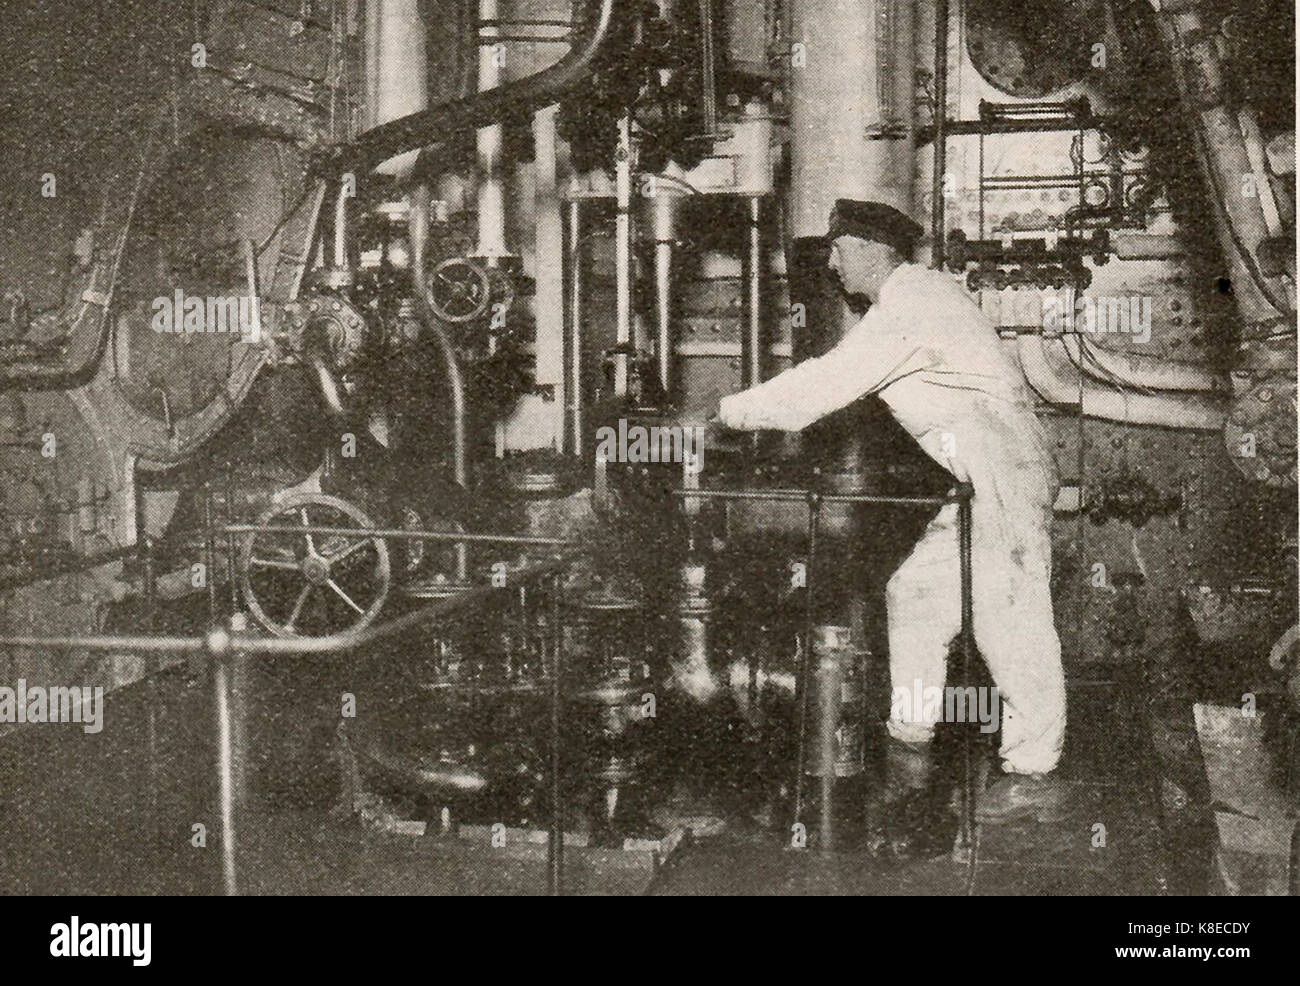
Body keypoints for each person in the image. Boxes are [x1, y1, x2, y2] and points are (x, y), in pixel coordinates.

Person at [716, 199, 1068, 854]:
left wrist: (726, 414)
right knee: (915, 598)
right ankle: (910, 746)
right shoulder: (906, 303)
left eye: (838, 248)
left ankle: (1034, 776)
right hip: (967, 476)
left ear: (874, 250)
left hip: (1002, 473)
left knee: (1010, 618)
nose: (829, 261)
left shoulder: (915, 303)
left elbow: (826, 383)